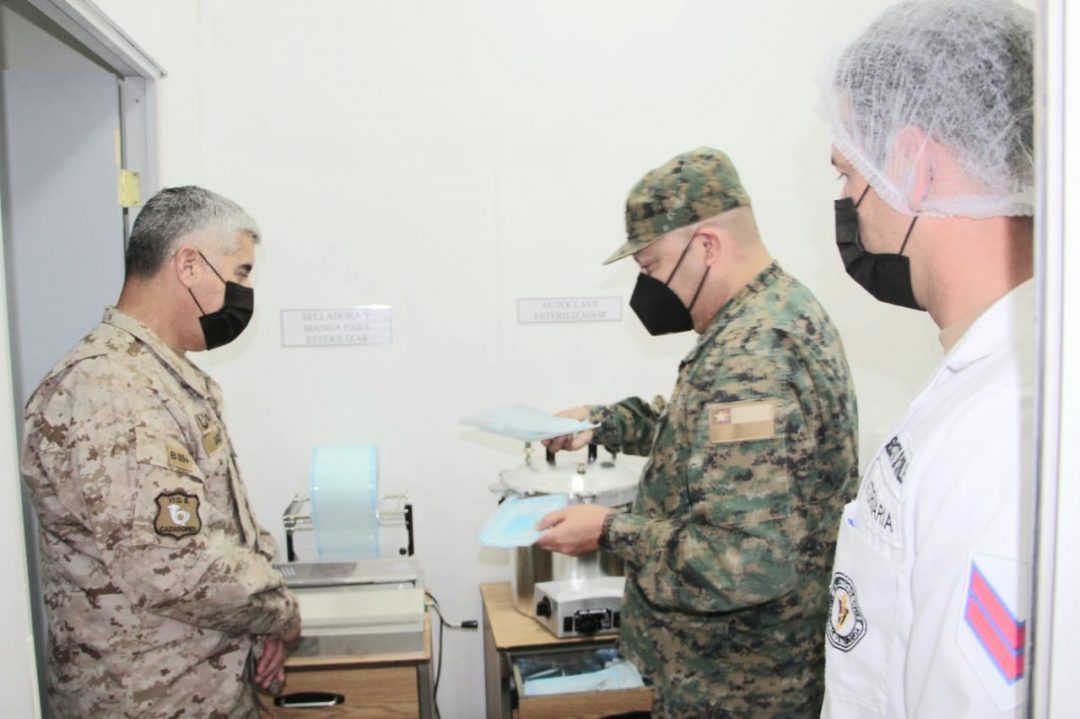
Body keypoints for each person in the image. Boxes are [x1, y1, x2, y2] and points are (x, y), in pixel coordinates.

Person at [537, 147, 860, 716]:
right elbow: (698, 429)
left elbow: (745, 559)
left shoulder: (754, 355)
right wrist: (602, 423)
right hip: (733, 673)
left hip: (741, 686)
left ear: (706, 247)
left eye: (651, 267)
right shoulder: (769, 314)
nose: (648, 287)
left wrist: (609, 531)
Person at [817, 1, 1035, 716]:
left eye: (851, 175)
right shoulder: (980, 381)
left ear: (914, 162)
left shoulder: (1004, 427)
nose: (850, 204)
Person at [21, 186, 301, 718]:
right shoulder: (110, 389)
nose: (246, 290)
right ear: (189, 265)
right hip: (145, 699)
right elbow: (175, 566)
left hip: (201, 688)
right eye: (240, 272)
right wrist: (277, 612)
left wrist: (257, 627)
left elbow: (219, 525)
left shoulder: (159, 378)